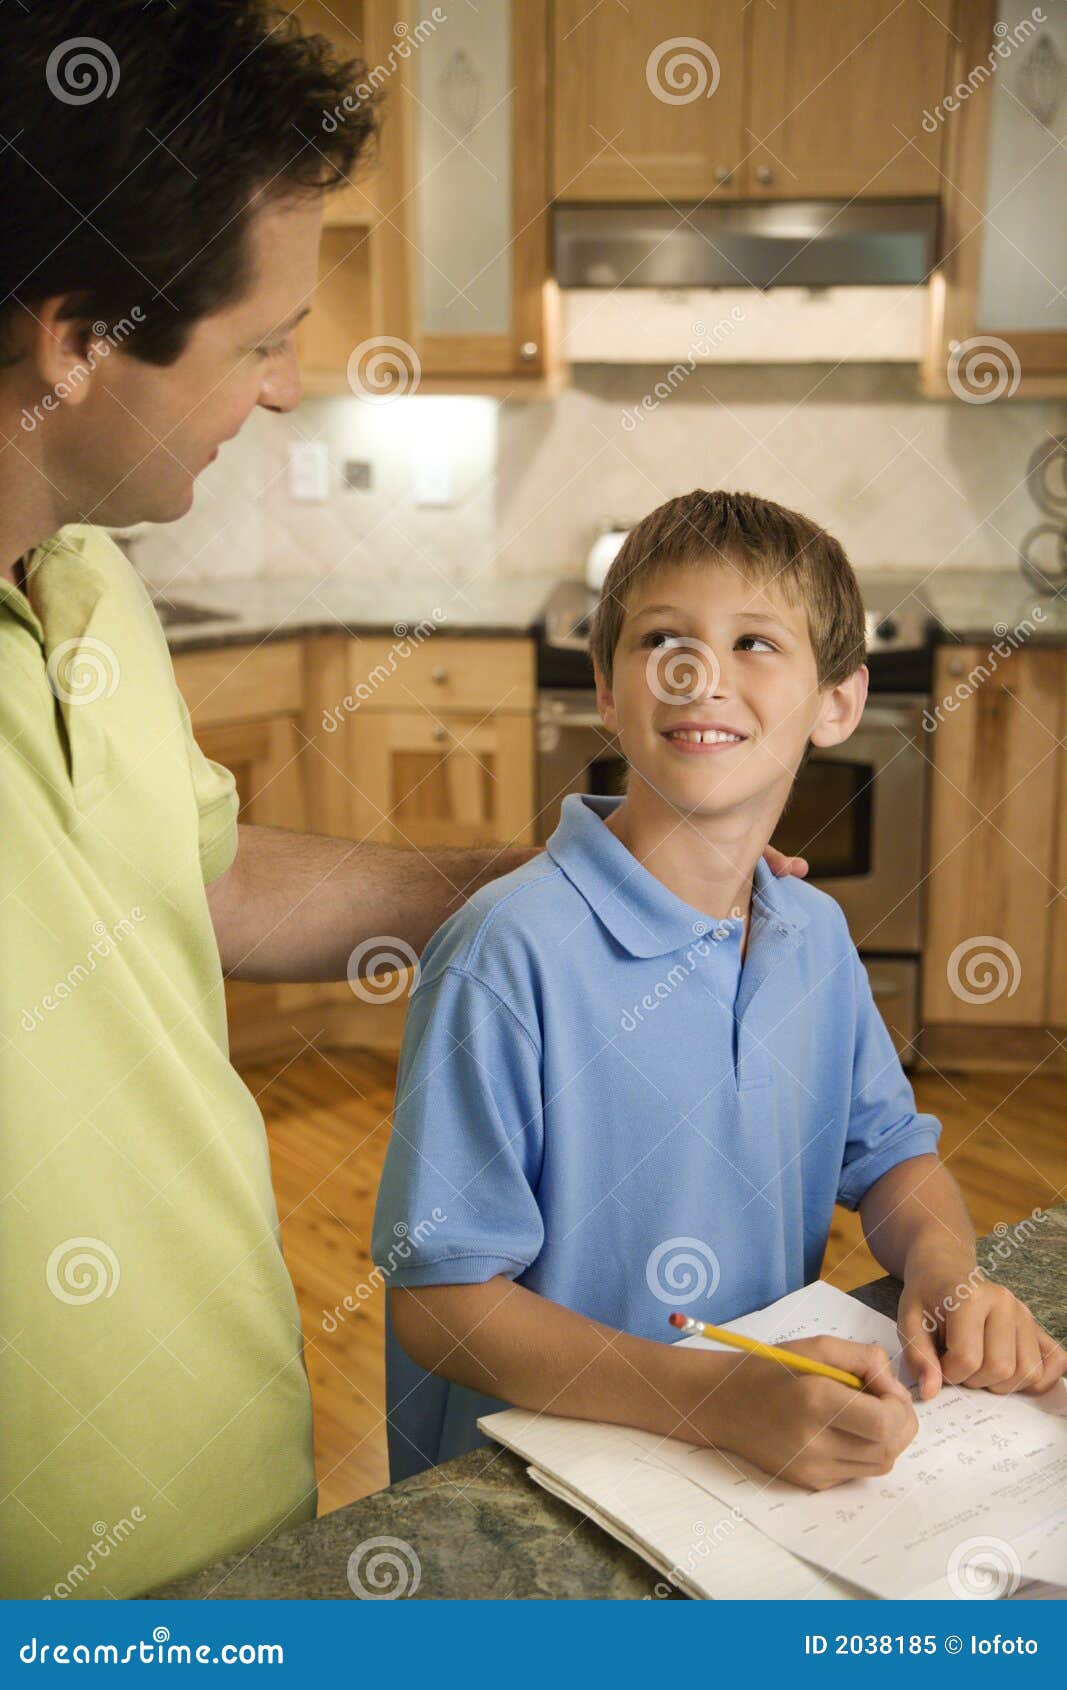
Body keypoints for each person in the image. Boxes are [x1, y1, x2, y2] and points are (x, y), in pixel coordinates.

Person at [0, 4, 808, 1598]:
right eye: (261, 340)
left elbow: (201, 884)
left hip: (226, 1468)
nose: (287, 387)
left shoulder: (85, 580)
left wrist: (559, 878)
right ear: (76, 339)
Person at [372, 488, 1067, 1491]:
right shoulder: (505, 952)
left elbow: (888, 1157)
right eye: (663, 640)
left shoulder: (812, 934)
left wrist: (945, 1271)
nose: (699, 676)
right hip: (530, 1483)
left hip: (749, 1459)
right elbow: (439, 1306)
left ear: (836, 704)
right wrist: (709, 1400)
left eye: (753, 643)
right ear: (605, 690)